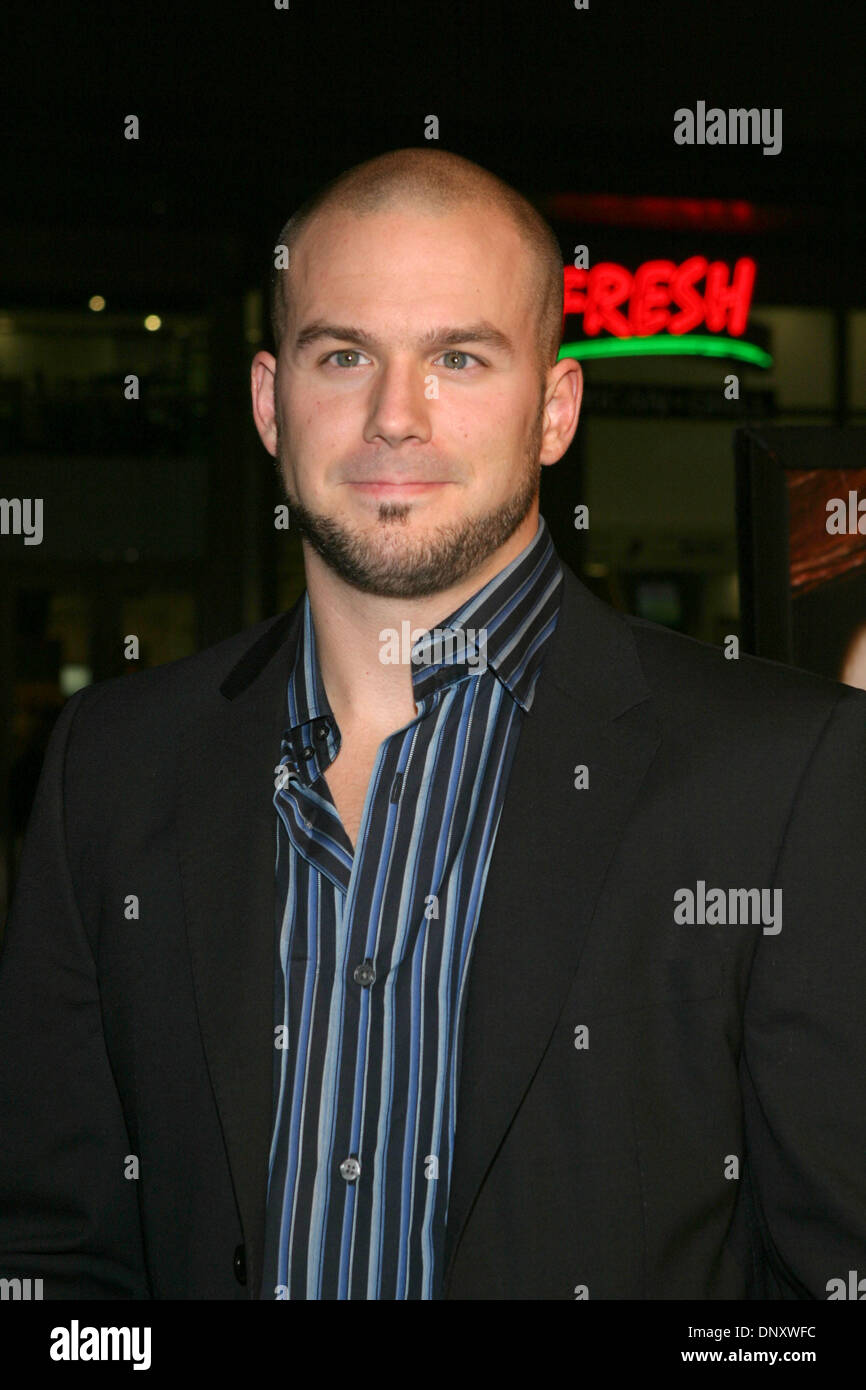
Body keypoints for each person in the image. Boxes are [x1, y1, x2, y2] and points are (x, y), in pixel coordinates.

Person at [1, 147, 864, 1301]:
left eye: (457, 357)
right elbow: (53, 1255)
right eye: (343, 354)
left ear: (552, 410)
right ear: (268, 401)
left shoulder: (784, 772)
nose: (392, 416)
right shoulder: (108, 764)